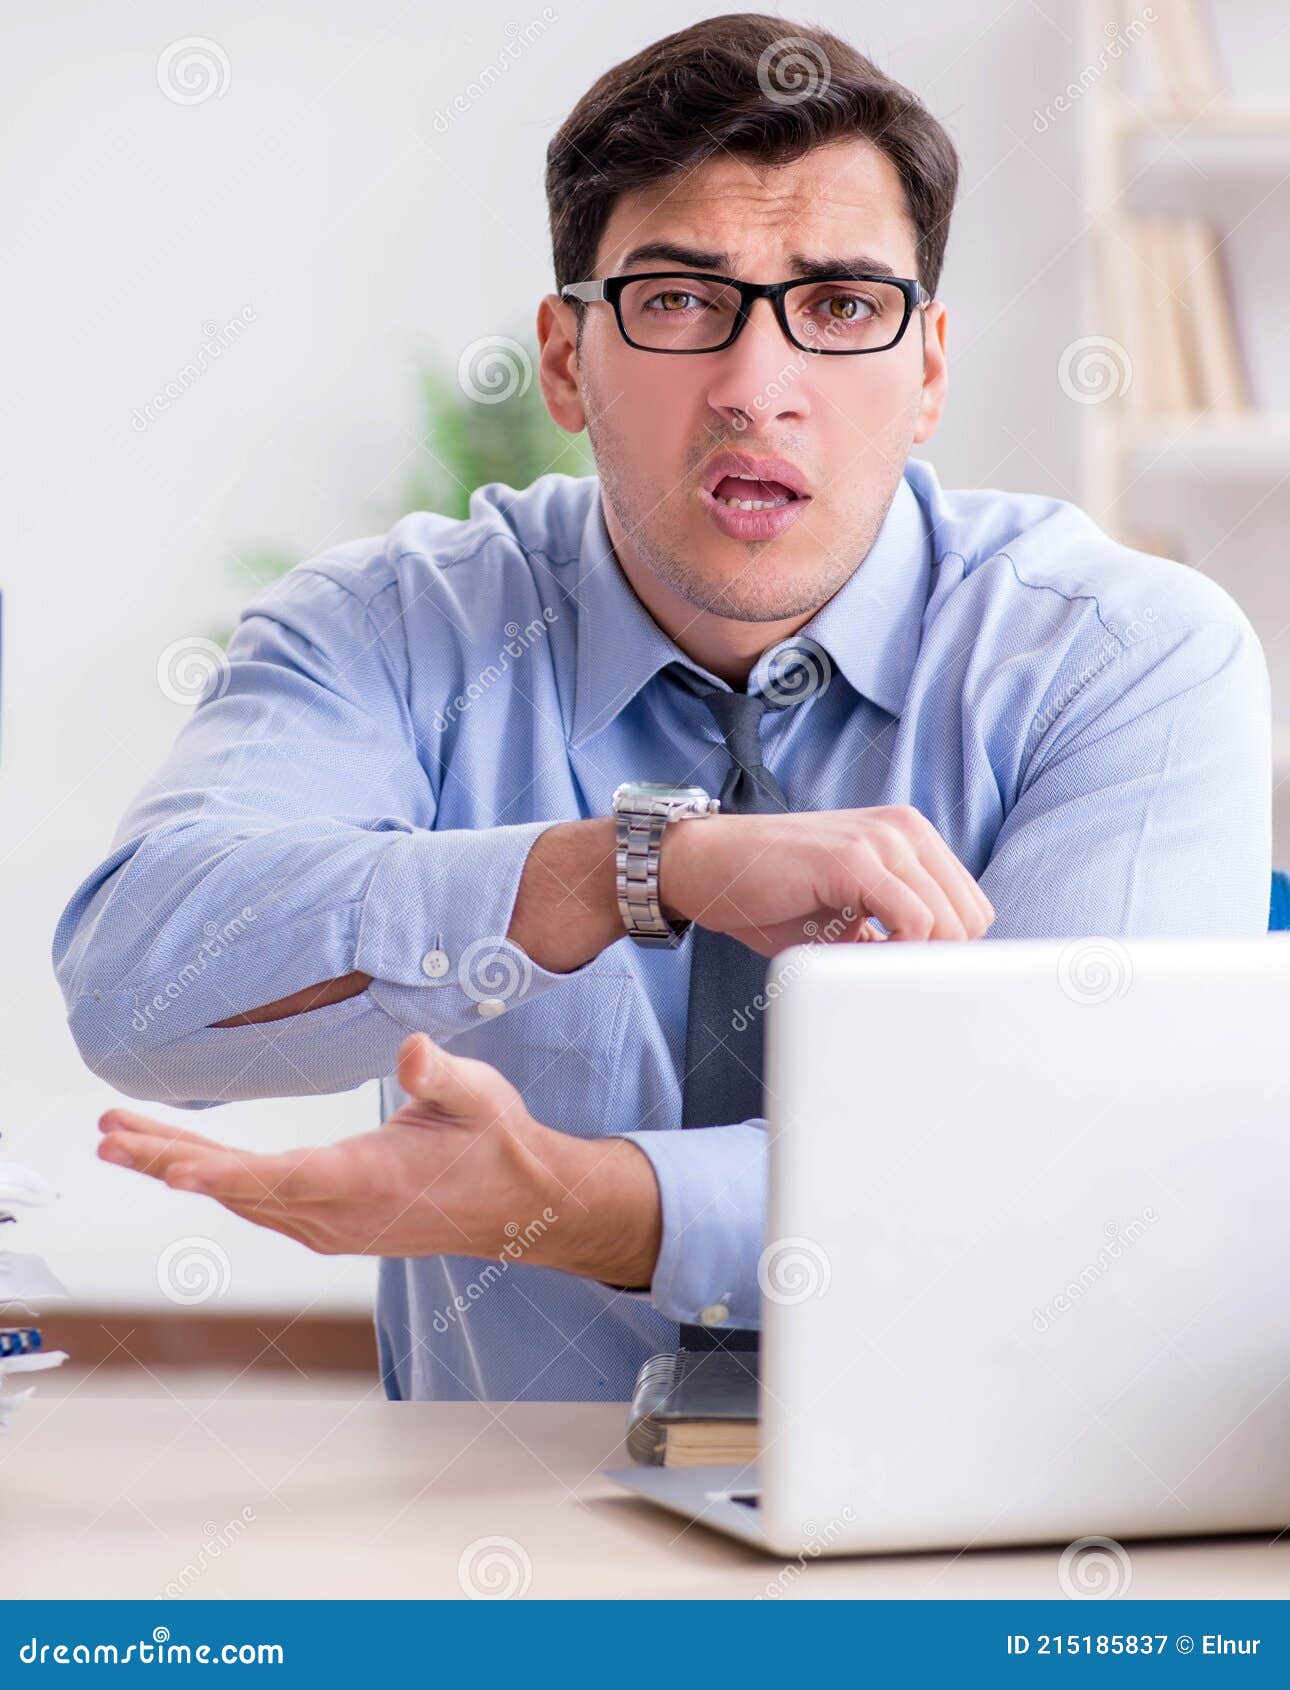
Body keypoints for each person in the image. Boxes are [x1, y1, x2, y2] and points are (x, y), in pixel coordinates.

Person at [52, 14, 1270, 1403]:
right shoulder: (393, 627)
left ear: (927, 367)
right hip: (506, 1554)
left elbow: (1072, 1185)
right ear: (566, 359)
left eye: (840, 307)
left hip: (984, 1553)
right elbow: (135, 989)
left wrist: (586, 1203)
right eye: (681, 300)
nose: (758, 393)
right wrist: (628, 868)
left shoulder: (1123, 660)